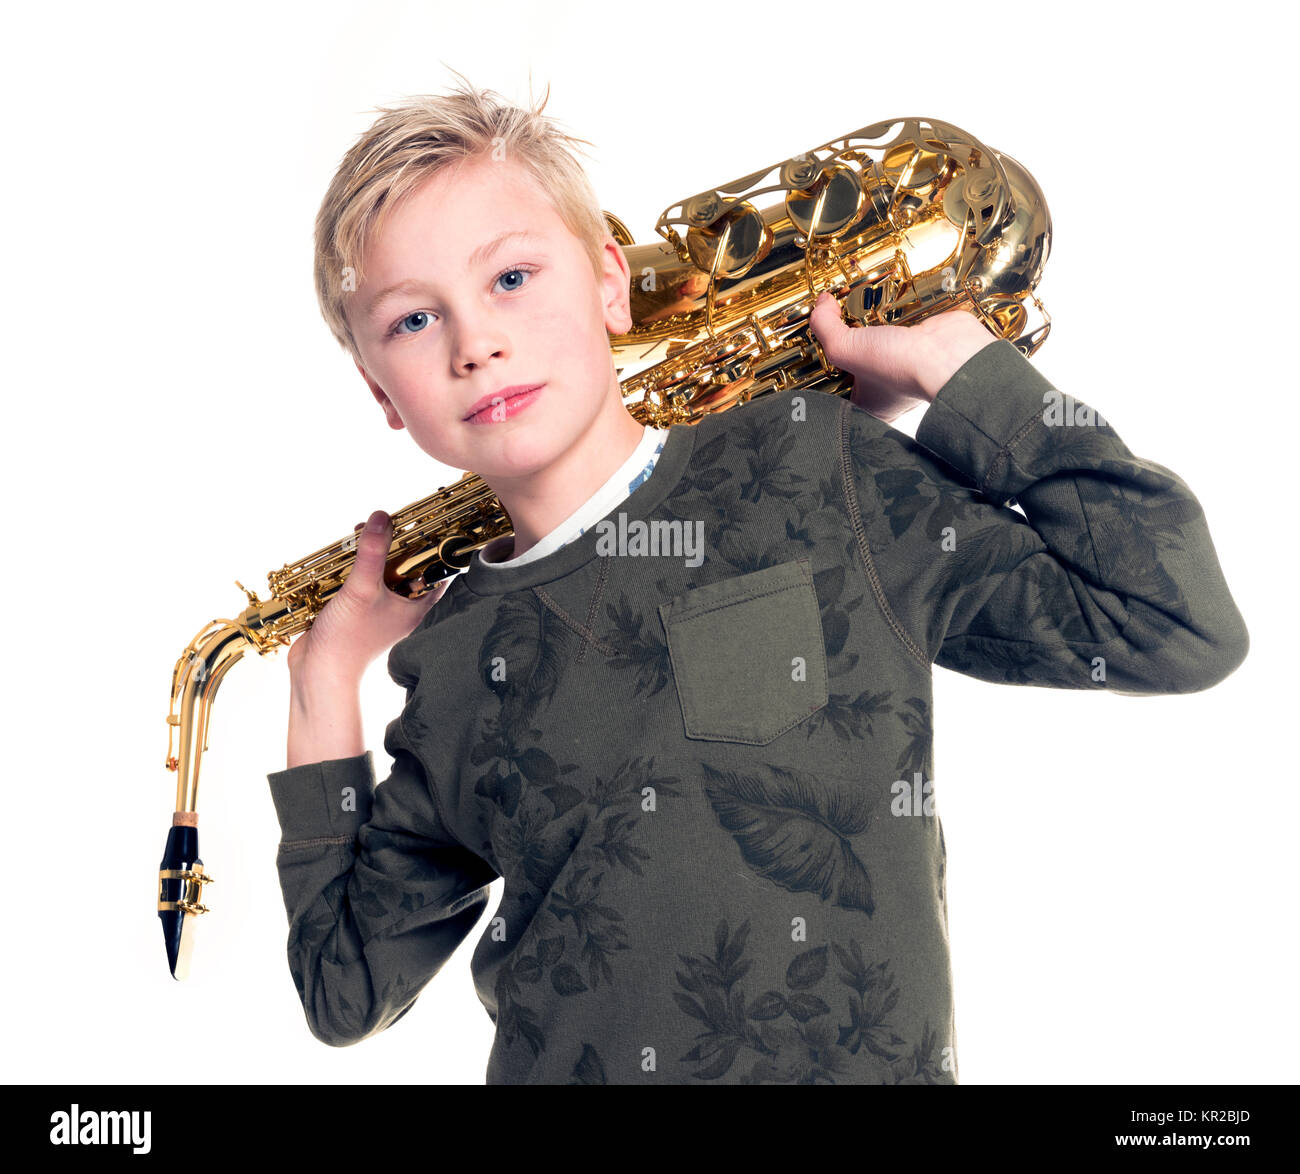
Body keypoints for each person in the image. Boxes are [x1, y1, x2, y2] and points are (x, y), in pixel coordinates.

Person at [265, 76, 1249, 1084]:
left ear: (610, 282)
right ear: (380, 390)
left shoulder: (812, 468)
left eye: (510, 277)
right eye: (413, 322)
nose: (477, 342)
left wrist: (968, 373)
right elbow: (344, 989)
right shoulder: (458, 658)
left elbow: (1173, 618)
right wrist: (322, 683)